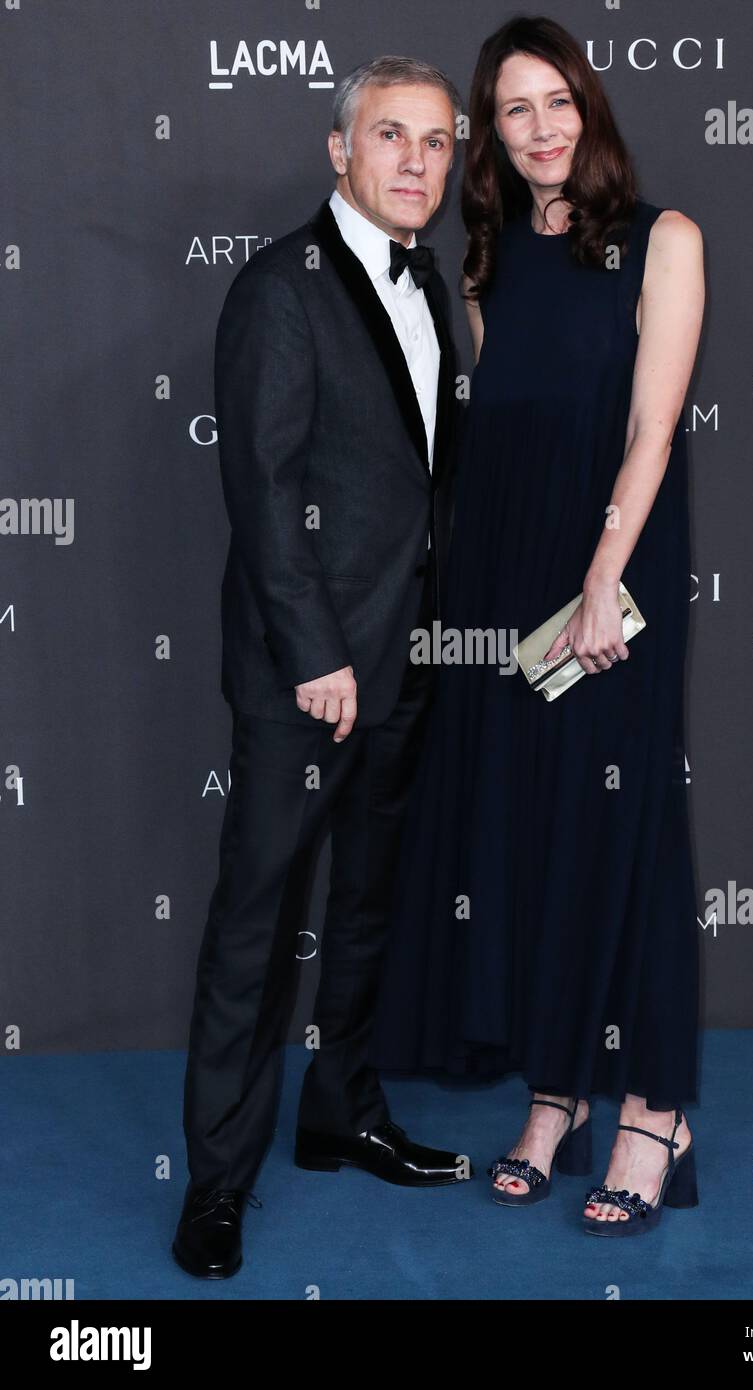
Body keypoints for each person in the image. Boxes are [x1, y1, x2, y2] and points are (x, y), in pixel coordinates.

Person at [370, 16, 706, 1235]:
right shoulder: (485, 256)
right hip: (504, 585)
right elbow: (492, 440)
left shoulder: (664, 238)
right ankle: (554, 1093)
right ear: (490, 135)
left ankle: (655, 1109)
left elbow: (651, 429)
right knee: (536, 830)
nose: (542, 127)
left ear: (591, 106)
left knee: (626, 833)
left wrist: (605, 584)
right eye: (514, 110)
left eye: (557, 100)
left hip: (608, 572)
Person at [173, 56, 466, 1279]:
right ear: (337, 150)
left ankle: (341, 1113)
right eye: (389, 136)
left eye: (437, 142)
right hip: (311, 672)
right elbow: (263, 486)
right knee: (258, 919)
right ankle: (215, 1184)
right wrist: (315, 658)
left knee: (364, 906)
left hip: (405, 657)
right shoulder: (277, 290)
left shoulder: (430, 279)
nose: (414, 160)